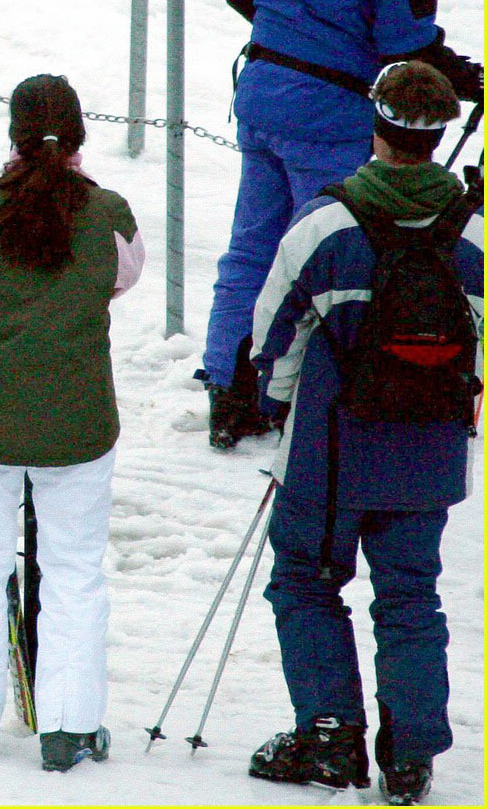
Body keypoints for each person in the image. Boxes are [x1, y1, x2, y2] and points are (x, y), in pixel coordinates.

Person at [248, 61, 482, 804]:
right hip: (430, 452)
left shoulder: (327, 224)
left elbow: (274, 337)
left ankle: (328, 735)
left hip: (332, 451)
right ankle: (410, 755)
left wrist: (275, 405)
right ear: (441, 132)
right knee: (411, 595)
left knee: (306, 579)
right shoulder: (473, 233)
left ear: (375, 126)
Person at [198, 0, 482, 449]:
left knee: (252, 250)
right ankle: (311, 395)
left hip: (262, 92)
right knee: (330, 260)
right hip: (330, 115)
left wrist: (294, 33)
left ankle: (229, 390)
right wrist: (464, 78)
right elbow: (406, 42)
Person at [0, 75, 145, 769]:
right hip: (77, 420)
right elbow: (123, 277)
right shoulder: (109, 212)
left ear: (13, 135)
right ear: (79, 133)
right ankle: (69, 725)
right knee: (75, 569)